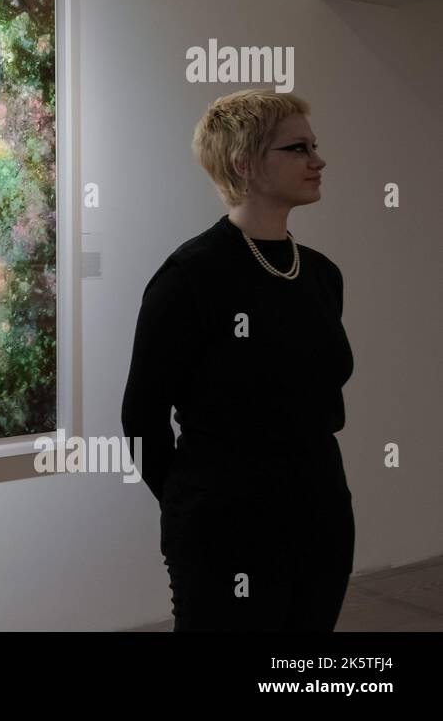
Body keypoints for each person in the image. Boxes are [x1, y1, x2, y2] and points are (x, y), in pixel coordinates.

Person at [121, 88, 355, 631]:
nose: (318, 160)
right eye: (298, 148)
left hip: (321, 515)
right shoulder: (190, 278)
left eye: (314, 146)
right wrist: (192, 503)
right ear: (243, 163)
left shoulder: (321, 275)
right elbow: (141, 418)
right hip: (225, 526)